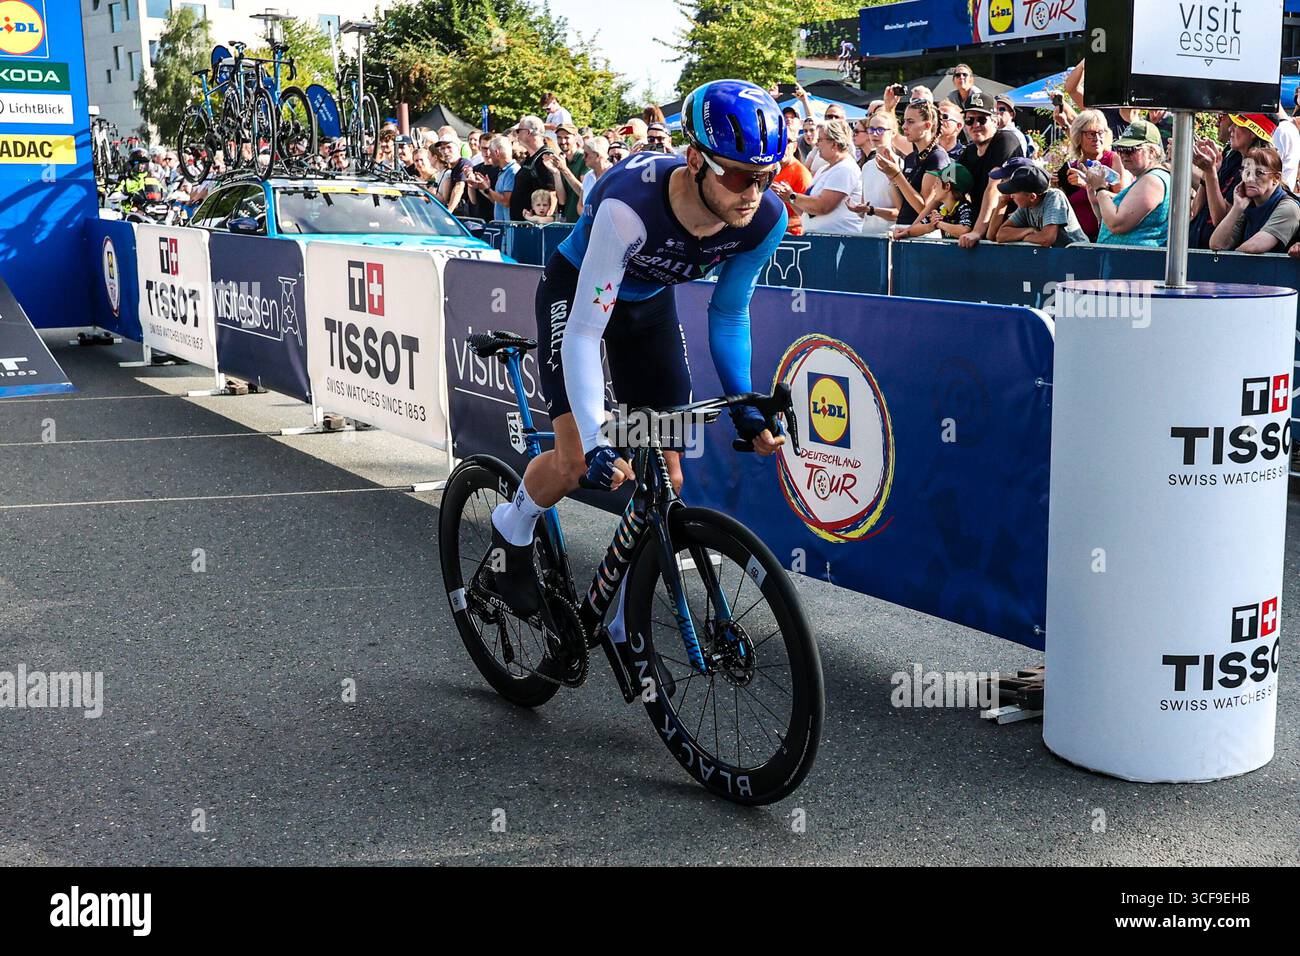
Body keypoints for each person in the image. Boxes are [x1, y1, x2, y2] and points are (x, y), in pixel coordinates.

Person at [485, 80, 789, 645]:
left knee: (667, 475)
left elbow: (729, 314)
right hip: (578, 295)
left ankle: (626, 623)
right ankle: (513, 524)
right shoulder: (631, 209)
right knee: (578, 460)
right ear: (695, 159)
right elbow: (584, 331)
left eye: (767, 174)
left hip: (648, 306)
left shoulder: (766, 219)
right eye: (739, 174)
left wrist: (746, 404)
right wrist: (599, 440)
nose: (755, 190)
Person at [956, 92, 1025, 248]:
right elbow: (947, 187)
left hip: (1011, 229)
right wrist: (918, 225)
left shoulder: (1006, 140)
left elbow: (993, 188)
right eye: (969, 120)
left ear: (995, 121)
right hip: (985, 229)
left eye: (981, 119)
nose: (975, 125)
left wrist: (977, 232)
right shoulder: (969, 151)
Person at [1189, 114, 1267, 248]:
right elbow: (1196, 210)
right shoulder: (1231, 156)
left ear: (1253, 133)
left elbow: (1219, 220)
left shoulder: (1254, 171)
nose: (1231, 128)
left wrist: (1210, 172)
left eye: (1237, 125)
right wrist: (1208, 171)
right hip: (1197, 246)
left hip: (1217, 257)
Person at [1090, 120, 1172, 247]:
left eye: (1130, 149)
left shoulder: (1152, 181)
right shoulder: (1147, 179)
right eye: (1120, 149)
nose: (1123, 155)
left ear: (1152, 152)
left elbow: (1117, 224)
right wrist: (1095, 194)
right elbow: (1108, 221)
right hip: (1124, 261)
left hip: (1135, 262)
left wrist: (1100, 189)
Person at [771, 118, 860, 235]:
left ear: (834, 143)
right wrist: (789, 198)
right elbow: (806, 212)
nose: (816, 144)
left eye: (820, 140)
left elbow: (823, 206)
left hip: (839, 240)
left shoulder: (845, 169)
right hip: (820, 239)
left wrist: (792, 196)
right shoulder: (824, 169)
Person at [1209, 147, 1300, 254]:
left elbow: (1254, 247)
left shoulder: (1289, 208)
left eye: (1259, 173)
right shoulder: (1248, 204)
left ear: (1276, 178)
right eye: (1246, 172)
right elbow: (1216, 244)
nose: (1250, 178)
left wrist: (1229, 257)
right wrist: (1237, 208)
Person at [874, 100, 948, 228]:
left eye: (910, 121)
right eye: (904, 121)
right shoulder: (911, 158)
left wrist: (897, 175)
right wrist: (891, 177)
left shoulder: (937, 158)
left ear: (927, 125)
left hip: (923, 234)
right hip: (904, 229)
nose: (904, 126)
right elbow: (902, 206)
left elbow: (924, 209)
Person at [1058, 110, 1125, 242]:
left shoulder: (1113, 159)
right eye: (1091, 134)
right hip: (1076, 241)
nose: (1097, 138)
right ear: (1078, 136)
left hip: (1105, 239)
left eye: (1101, 132)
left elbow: (1124, 199)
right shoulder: (1071, 168)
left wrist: (1088, 185)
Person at [993, 159, 1089, 247]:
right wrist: (1028, 231)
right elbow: (1000, 235)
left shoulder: (1054, 197)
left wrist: (1022, 238)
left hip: (1080, 255)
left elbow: (1046, 239)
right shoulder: (1025, 206)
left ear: (1032, 197)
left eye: (1015, 192)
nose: (1011, 195)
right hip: (1061, 258)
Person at [846, 110, 901, 237]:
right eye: (871, 129)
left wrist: (871, 210)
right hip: (868, 234)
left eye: (880, 129)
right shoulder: (867, 167)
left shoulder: (900, 165)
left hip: (891, 236)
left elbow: (900, 212)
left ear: (893, 133)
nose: (874, 134)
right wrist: (857, 209)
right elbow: (864, 206)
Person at [893, 161, 974, 240]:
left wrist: (939, 224)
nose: (934, 187)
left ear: (947, 187)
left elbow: (964, 230)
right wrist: (930, 226)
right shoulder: (942, 209)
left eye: (937, 183)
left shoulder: (964, 207)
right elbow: (917, 227)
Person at [509, 115, 566, 221]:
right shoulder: (530, 158)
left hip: (534, 228)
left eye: (518, 131)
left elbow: (552, 196)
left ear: (528, 132)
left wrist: (541, 222)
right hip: (522, 224)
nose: (517, 135)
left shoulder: (545, 158)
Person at [467, 135, 518, 222]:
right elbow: (497, 202)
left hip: (509, 227)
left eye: (490, 152)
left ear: (497, 153)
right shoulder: (503, 171)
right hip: (501, 225)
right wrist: (484, 188)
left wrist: (487, 189)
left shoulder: (512, 172)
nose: (488, 155)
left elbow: (506, 202)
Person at [770, 132, 813, 235]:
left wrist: (789, 198)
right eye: (779, 141)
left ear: (795, 146)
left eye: (787, 142)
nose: (783, 146)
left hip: (790, 235)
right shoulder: (769, 168)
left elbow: (808, 215)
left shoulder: (801, 174)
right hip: (770, 233)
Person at [549, 124, 588, 222]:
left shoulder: (585, 159)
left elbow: (584, 192)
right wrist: (556, 172)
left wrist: (564, 169)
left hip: (582, 221)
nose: (562, 141)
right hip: (567, 220)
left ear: (575, 138)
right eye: (559, 138)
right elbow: (562, 200)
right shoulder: (561, 160)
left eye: (566, 137)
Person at [435, 136, 476, 217]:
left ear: (458, 148)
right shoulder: (453, 167)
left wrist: (448, 213)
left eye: (449, 147)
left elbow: (459, 188)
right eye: (442, 148)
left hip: (468, 216)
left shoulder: (464, 163)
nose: (445, 151)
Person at [579, 135, 611, 201]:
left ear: (598, 155)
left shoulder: (614, 174)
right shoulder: (588, 176)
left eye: (586, 154)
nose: (583, 157)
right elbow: (580, 204)